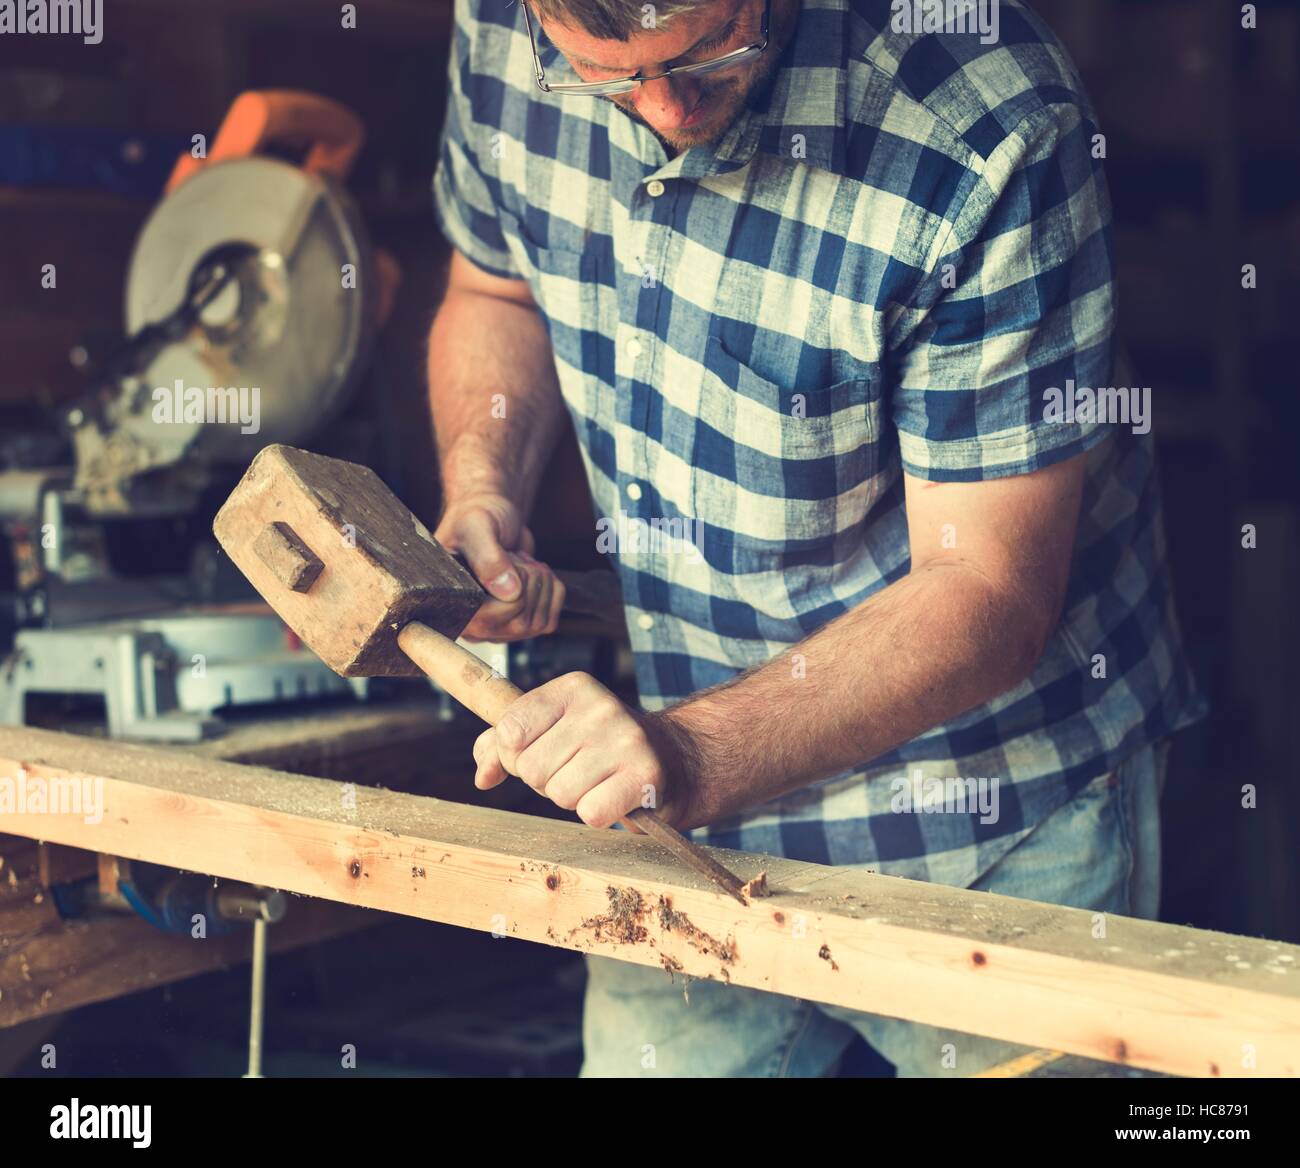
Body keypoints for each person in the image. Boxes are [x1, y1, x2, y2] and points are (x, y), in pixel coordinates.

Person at [427, 0, 1206, 1076]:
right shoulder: (503, 29)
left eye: (708, 51)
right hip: (678, 816)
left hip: (990, 804)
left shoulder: (983, 114)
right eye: (608, 76)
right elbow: (492, 285)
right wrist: (483, 484)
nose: (661, 106)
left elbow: (985, 589)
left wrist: (686, 752)